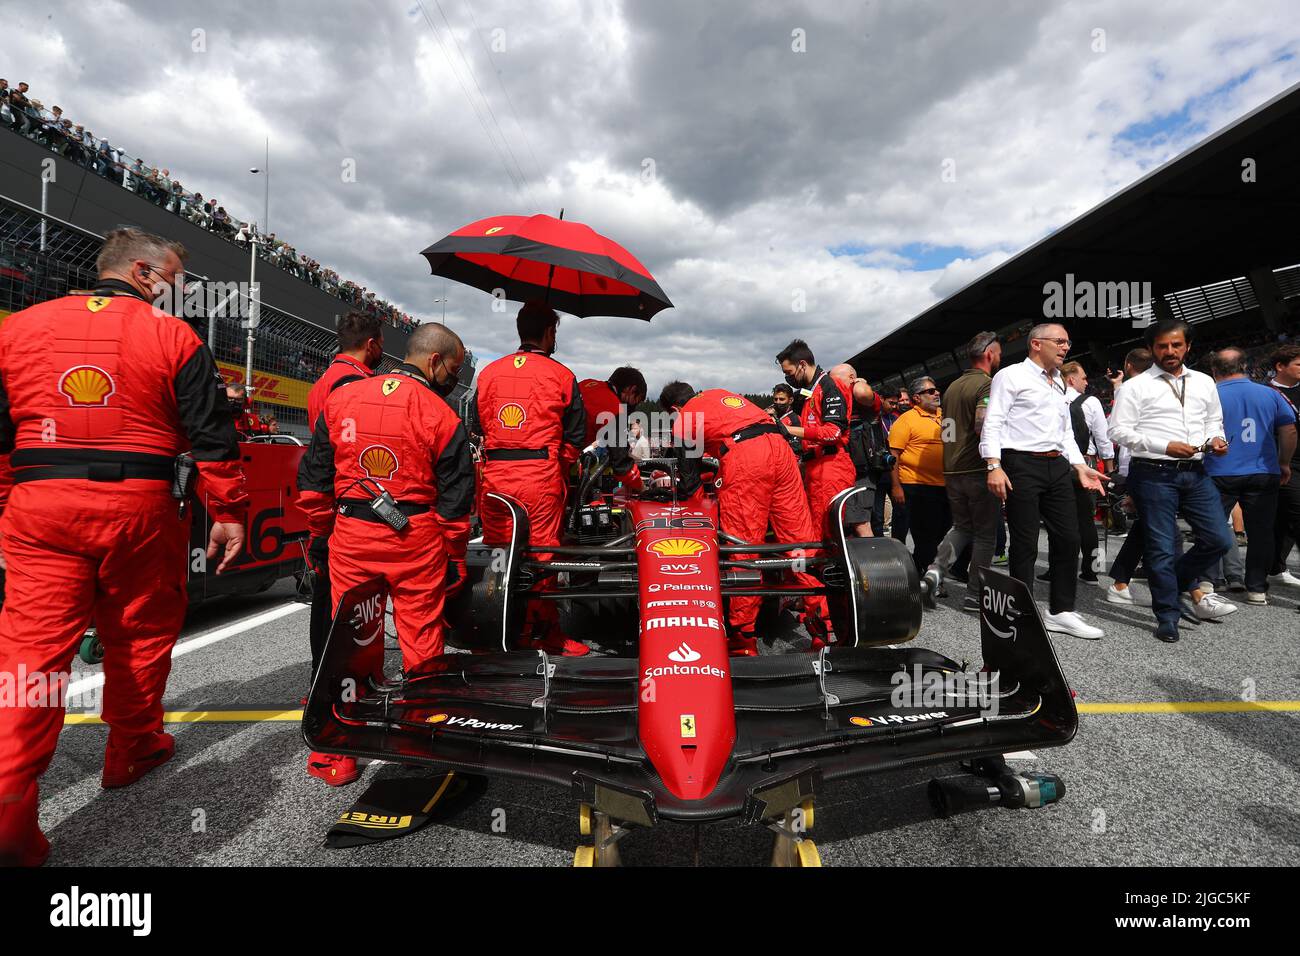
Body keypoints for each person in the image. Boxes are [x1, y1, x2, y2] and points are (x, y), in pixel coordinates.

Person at [0, 228, 249, 866]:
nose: (181, 292)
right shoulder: (174, 337)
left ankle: (7, 814)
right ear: (141, 272)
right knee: (137, 634)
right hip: (138, 505)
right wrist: (228, 511)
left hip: (38, 505)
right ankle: (132, 750)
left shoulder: (18, 328)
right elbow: (211, 432)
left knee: (28, 661)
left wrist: (9, 500)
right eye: (174, 279)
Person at [297, 323, 473, 775]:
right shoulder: (442, 415)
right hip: (416, 538)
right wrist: (454, 555)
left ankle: (336, 752)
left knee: (351, 643)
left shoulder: (341, 398)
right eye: (453, 369)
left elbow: (314, 483)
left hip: (352, 533)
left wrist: (321, 536)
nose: (453, 378)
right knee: (421, 640)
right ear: (434, 362)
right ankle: (421, 742)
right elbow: (455, 504)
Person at [658, 382, 833, 654]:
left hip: (747, 459)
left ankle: (743, 639)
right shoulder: (723, 396)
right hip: (782, 451)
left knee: (745, 552)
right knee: (800, 546)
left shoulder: (686, 416)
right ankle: (822, 627)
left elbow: (690, 484)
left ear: (674, 409)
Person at [1109, 318, 1236, 642]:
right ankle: (1168, 615)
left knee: (1219, 539)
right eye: (1162, 346)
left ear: (1187, 346)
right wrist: (1164, 446)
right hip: (1153, 474)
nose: (1170, 351)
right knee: (1161, 548)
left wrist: (1216, 439)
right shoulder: (1134, 387)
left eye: (1176, 345)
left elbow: (1213, 420)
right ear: (1152, 348)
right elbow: (1117, 431)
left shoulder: (1205, 382)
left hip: (1196, 471)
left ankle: (1177, 583)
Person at [981, 323, 1108, 640]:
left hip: (1058, 465)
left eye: (1068, 343)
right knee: (1024, 543)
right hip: (1020, 463)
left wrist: (1080, 466)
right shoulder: (1010, 376)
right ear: (1036, 344)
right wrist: (993, 465)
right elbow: (993, 420)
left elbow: (1065, 431)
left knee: (1069, 538)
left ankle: (1061, 611)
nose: (1066, 347)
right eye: (1059, 342)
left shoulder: (1058, 383)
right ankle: (1021, 613)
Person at [299, 311, 384, 786]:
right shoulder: (352, 387)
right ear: (371, 345)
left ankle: (323, 693)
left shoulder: (322, 382)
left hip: (329, 511)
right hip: (348, 514)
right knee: (344, 618)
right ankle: (330, 720)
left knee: (331, 609)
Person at [476, 302, 589, 656]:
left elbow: (478, 426)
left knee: (499, 558)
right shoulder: (561, 375)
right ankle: (545, 637)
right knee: (542, 560)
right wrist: (557, 465)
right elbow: (575, 437)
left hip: (495, 475)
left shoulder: (489, 373)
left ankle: (496, 635)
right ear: (548, 332)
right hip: (539, 476)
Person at [1202, 347, 1296, 606]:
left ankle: (1207, 581)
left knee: (1212, 526)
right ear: (1246, 366)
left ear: (1214, 370)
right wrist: (1284, 463)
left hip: (1218, 470)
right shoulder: (1271, 394)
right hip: (1262, 470)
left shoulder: (1209, 394)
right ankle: (1256, 588)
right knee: (1261, 532)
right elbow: (1289, 431)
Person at [924, 331, 1002, 612]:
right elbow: (983, 426)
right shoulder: (988, 385)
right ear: (990, 354)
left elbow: (948, 432)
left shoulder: (952, 387)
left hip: (952, 469)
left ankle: (934, 571)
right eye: (999, 352)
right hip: (978, 468)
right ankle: (974, 596)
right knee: (984, 534)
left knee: (961, 527)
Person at [776, 341, 858, 537]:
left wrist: (789, 430)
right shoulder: (809, 391)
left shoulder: (829, 385)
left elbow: (832, 432)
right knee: (816, 530)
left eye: (789, 373)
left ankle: (835, 567)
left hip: (831, 467)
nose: (788, 378)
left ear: (802, 364)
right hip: (815, 466)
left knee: (827, 533)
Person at [1104, 348, 1156, 605]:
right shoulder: (1143, 388)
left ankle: (1122, 579)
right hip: (1147, 465)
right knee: (1155, 525)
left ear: (1127, 363)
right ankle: (1193, 588)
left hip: (1139, 464)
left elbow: (1117, 430)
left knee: (1150, 526)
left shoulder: (1131, 388)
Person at [888, 375, 950, 584]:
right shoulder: (905, 420)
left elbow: (952, 445)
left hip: (946, 485)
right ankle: (924, 572)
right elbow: (893, 456)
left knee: (944, 529)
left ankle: (917, 564)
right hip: (916, 484)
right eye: (930, 391)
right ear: (916, 397)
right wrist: (896, 487)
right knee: (926, 533)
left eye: (936, 390)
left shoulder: (946, 417)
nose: (936, 393)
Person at [1061, 361, 1115, 583]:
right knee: (1087, 520)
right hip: (1087, 463)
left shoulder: (1053, 398)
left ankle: (1060, 569)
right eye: (1083, 378)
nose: (1087, 382)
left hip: (1058, 464)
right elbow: (1103, 439)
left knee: (1061, 520)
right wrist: (1110, 471)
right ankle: (1091, 570)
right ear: (1071, 379)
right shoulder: (1091, 402)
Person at [578, 367, 647, 493]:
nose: (635, 406)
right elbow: (622, 465)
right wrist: (642, 488)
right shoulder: (614, 408)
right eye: (638, 400)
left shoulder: (587, 384)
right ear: (631, 390)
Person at [1266, 344, 1300, 596]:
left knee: (1286, 518)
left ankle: (1275, 566)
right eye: (1298, 364)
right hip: (1283, 463)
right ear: (1280, 366)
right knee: (1295, 512)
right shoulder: (1266, 393)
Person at [769, 383, 803, 457]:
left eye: (781, 399)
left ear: (790, 400)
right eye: (775, 399)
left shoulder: (795, 419)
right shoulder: (770, 415)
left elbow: (797, 447)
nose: (778, 402)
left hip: (789, 459)